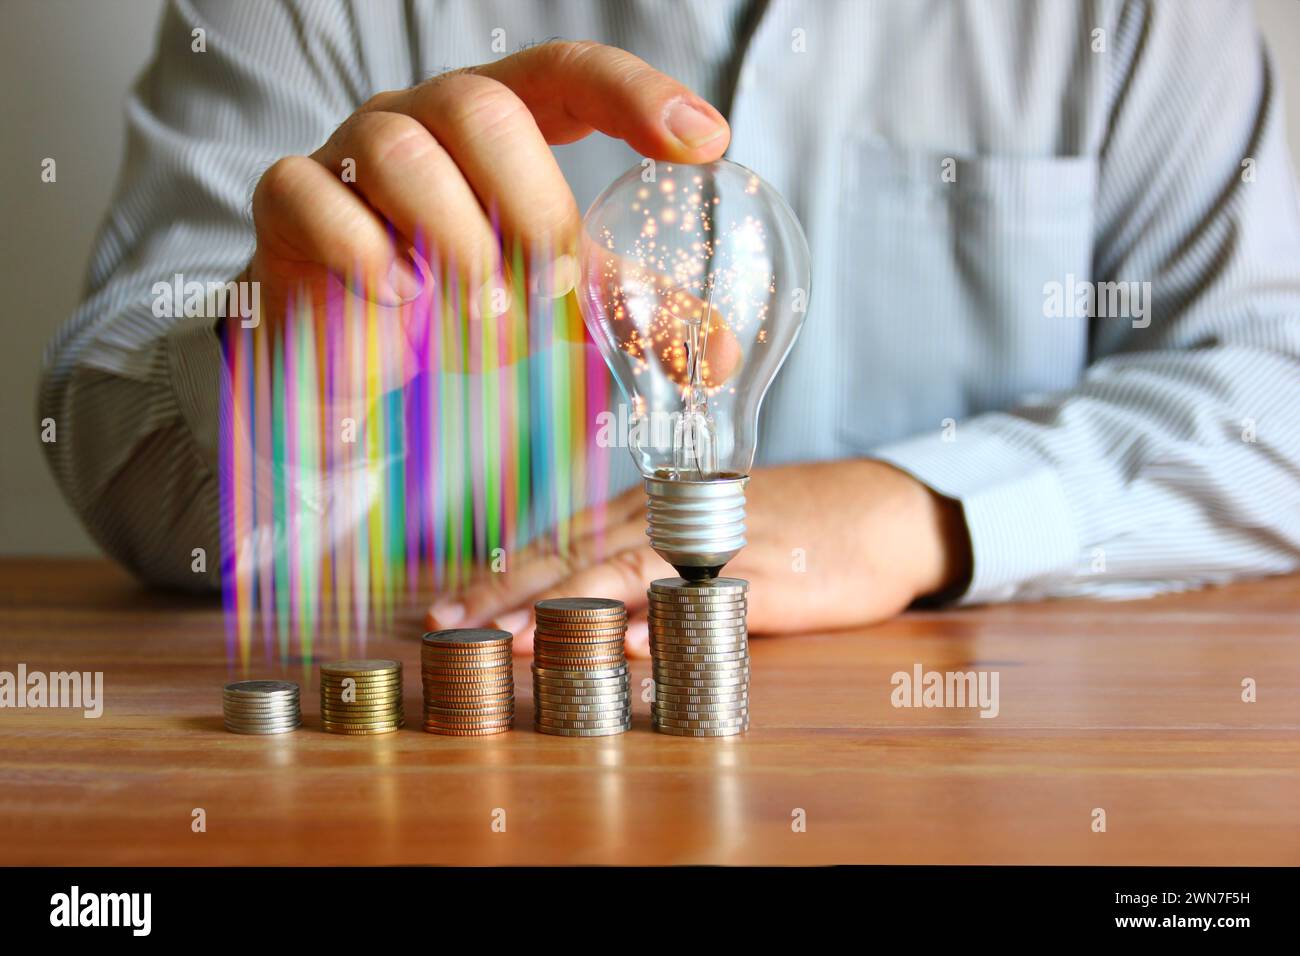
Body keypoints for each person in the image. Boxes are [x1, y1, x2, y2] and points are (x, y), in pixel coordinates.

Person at [39, 0, 1300, 656]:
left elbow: (1275, 391)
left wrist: (915, 509)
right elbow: (111, 456)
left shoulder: (1136, 23)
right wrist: (283, 371)